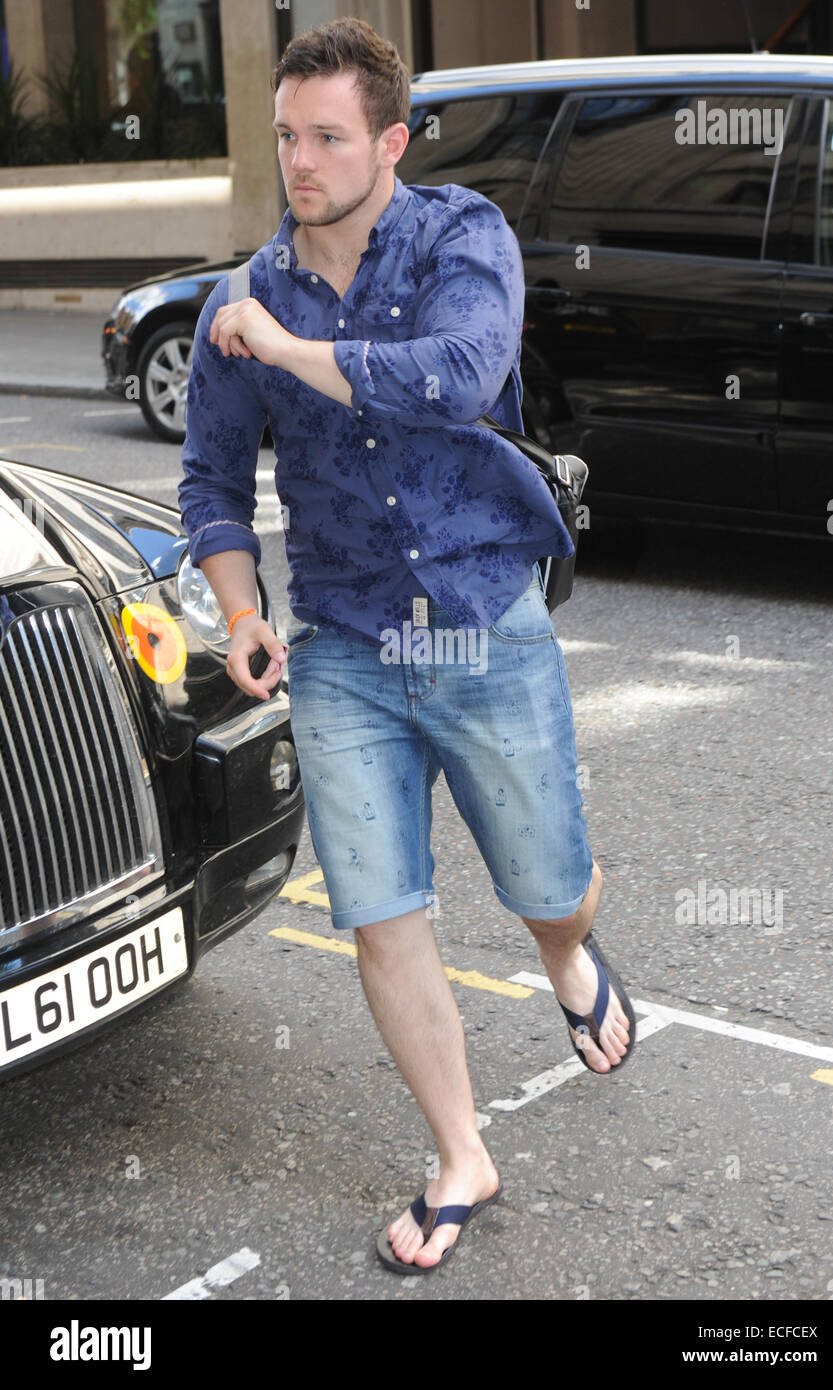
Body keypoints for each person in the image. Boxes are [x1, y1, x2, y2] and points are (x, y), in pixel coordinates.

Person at [178, 16, 634, 1276]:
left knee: (549, 881)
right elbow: (211, 481)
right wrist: (241, 609)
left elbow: (462, 372)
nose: (301, 160)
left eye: (328, 137)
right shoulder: (241, 297)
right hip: (345, 643)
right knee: (380, 914)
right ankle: (461, 1155)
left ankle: (565, 948)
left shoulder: (460, 238)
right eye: (286, 135)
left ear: (389, 140)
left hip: (481, 616)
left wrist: (288, 349)